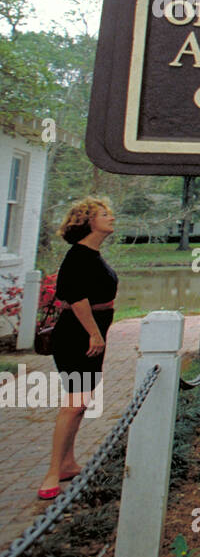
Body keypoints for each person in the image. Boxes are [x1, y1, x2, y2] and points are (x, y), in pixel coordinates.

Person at [38, 198, 117, 499]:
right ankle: (52, 472)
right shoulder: (79, 256)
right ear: (88, 222)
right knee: (73, 404)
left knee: (81, 403)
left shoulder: (92, 255)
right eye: (104, 214)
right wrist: (94, 334)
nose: (111, 217)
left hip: (91, 336)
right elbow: (74, 297)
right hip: (78, 338)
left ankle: (68, 463)